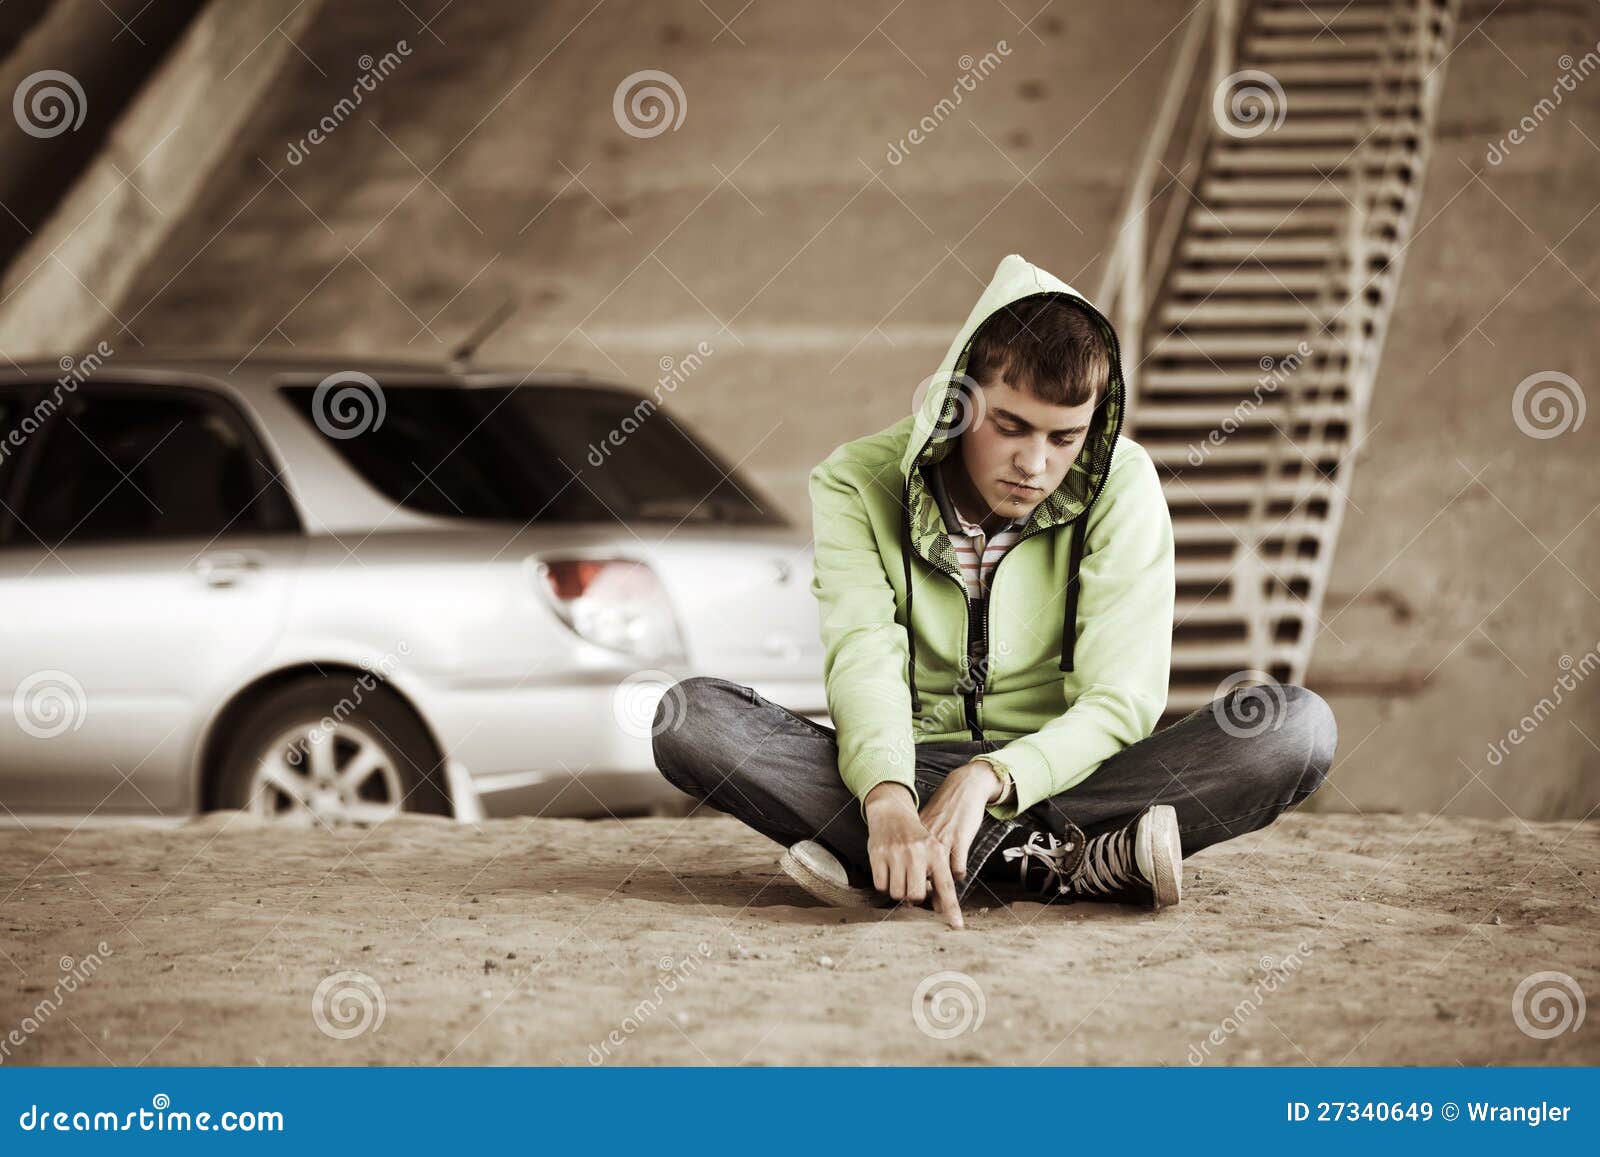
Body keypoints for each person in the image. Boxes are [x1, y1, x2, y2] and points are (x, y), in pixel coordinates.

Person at [652, 253, 1337, 930]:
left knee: (1292, 728)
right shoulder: (856, 482)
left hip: (1069, 779)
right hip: (906, 764)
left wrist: (990, 777)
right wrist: (888, 799)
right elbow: (866, 653)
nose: (1035, 464)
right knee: (691, 717)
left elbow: (1121, 699)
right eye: (1010, 427)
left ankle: (917, 863)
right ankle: (1053, 863)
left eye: (1064, 437)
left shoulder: (1123, 484)